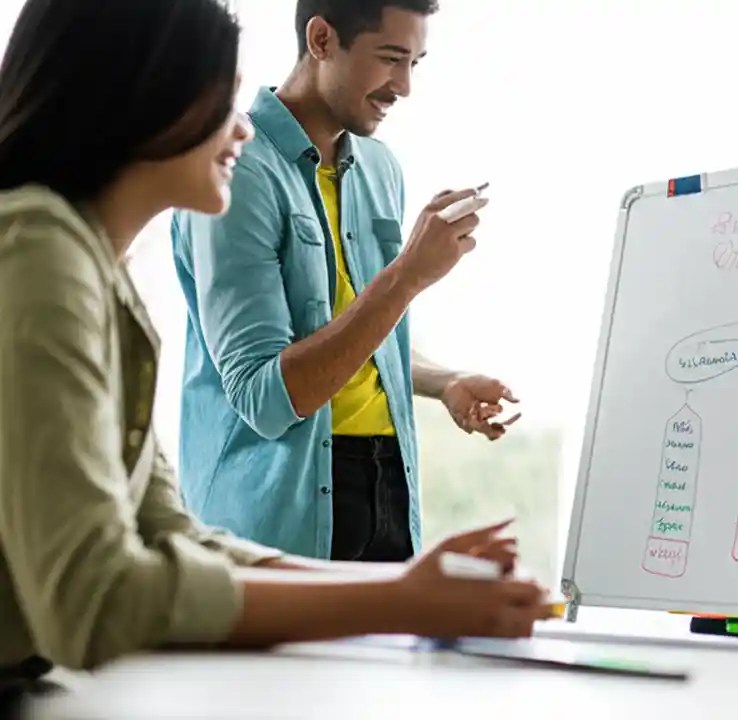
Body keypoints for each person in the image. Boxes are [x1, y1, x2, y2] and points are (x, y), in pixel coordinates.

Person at [0, 0, 552, 711]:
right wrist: (401, 602)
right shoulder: (38, 251)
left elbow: (172, 534)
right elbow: (98, 601)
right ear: (145, 93)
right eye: (223, 96)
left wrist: (416, 586)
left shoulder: (97, 275)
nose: (241, 126)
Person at [170, 0, 520, 562]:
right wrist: (406, 277)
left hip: (388, 487)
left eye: (415, 63)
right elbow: (268, 396)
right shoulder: (235, 172)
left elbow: (352, 337)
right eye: (390, 59)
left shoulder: (381, 169)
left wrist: (442, 381)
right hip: (279, 513)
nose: (403, 86)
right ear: (321, 39)